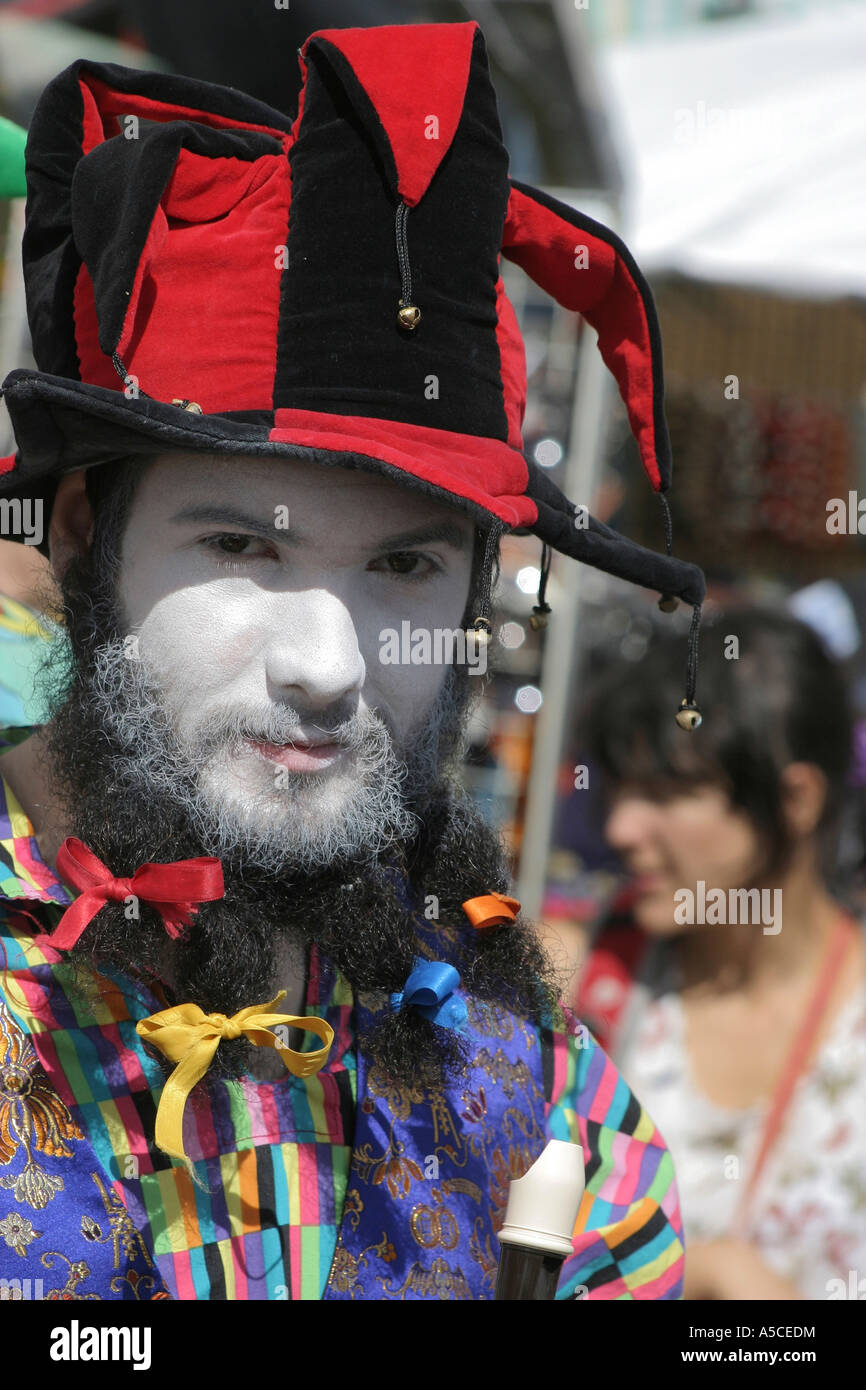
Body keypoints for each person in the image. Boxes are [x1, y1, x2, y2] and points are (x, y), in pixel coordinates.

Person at [0, 21, 705, 1300]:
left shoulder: (529, 1071)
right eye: (241, 546)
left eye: (402, 567)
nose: (327, 667)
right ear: (85, 532)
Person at [573, 607, 866, 1301]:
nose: (621, 827)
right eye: (619, 786)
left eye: (670, 792)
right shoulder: (584, 986)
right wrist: (691, 1274)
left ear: (796, 799)